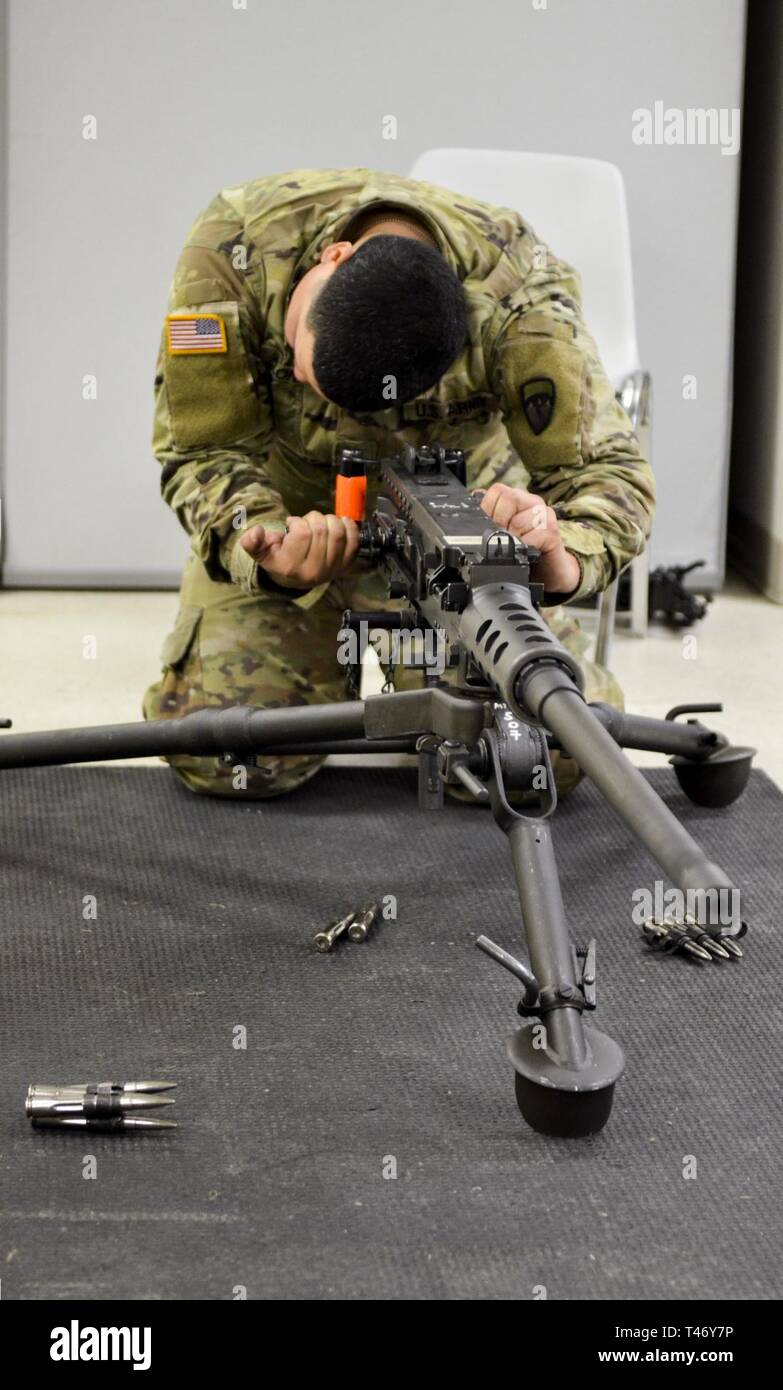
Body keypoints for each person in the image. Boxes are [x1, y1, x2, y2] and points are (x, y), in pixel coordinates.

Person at [144, 168, 655, 797]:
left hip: (454, 534)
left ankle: (430, 692)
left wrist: (562, 559)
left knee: (538, 762)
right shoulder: (234, 250)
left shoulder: (520, 299)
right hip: (294, 520)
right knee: (232, 761)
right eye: (302, 364)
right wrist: (263, 544)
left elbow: (607, 472)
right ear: (334, 257)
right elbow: (204, 450)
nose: (303, 386)